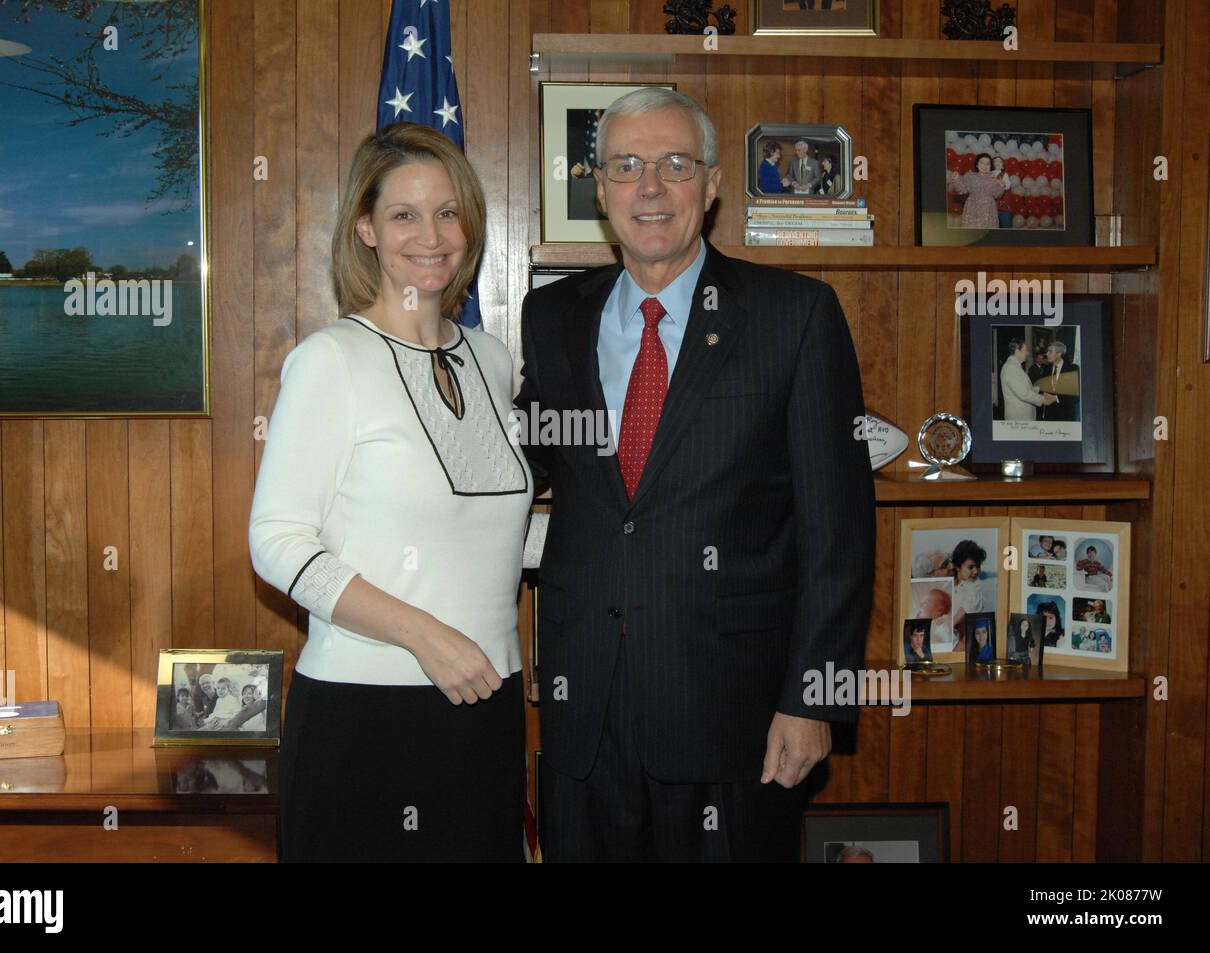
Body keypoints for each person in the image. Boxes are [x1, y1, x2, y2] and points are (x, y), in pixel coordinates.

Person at [515, 87, 875, 862]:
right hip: (586, 715)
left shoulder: (795, 315)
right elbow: (522, 462)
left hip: (735, 720)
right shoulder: (552, 319)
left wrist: (813, 699)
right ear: (600, 187)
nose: (650, 187)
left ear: (712, 186)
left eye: (675, 164)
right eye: (627, 166)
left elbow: (838, 529)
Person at [248, 122, 532, 862]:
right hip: (367, 712)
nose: (431, 234)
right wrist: (422, 634)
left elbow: (480, 521)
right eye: (404, 214)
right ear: (366, 228)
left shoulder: (492, 361)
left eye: (448, 211)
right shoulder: (330, 360)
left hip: (489, 702)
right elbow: (277, 543)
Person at [999, 338, 1057, 421]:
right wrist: (1043, 399)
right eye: (1025, 350)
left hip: (1023, 415)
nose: (1027, 353)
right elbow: (1024, 393)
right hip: (1019, 417)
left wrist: (1040, 391)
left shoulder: (1015, 366)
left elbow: (1025, 388)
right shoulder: (1010, 368)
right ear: (1017, 352)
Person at [948, 153, 1010, 229]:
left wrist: (1001, 186)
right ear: (977, 165)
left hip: (989, 211)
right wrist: (956, 179)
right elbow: (962, 190)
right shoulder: (970, 176)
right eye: (982, 162)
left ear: (990, 166)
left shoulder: (994, 179)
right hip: (972, 209)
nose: (985, 166)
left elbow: (997, 195)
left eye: (988, 164)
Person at [1038, 340, 1080, 422]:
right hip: (1049, 417)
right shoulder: (1046, 369)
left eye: (1050, 351)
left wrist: (1056, 398)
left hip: (1066, 418)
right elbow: (1041, 390)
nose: (1046, 354)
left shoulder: (1072, 369)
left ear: (1059, 354)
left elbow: (1076, 397)